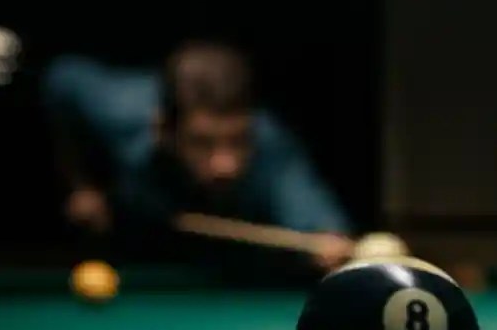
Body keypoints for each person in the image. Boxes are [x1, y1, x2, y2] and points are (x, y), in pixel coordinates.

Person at [42, 41, 356, 273]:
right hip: (134, 256)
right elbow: (61, 77)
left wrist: (328, 244)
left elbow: (315, 217)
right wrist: (80, 184)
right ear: (163, 130)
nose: (225, 165)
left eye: (238, 141)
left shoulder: (270, 143)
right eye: (202, 143)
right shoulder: (121, 110)